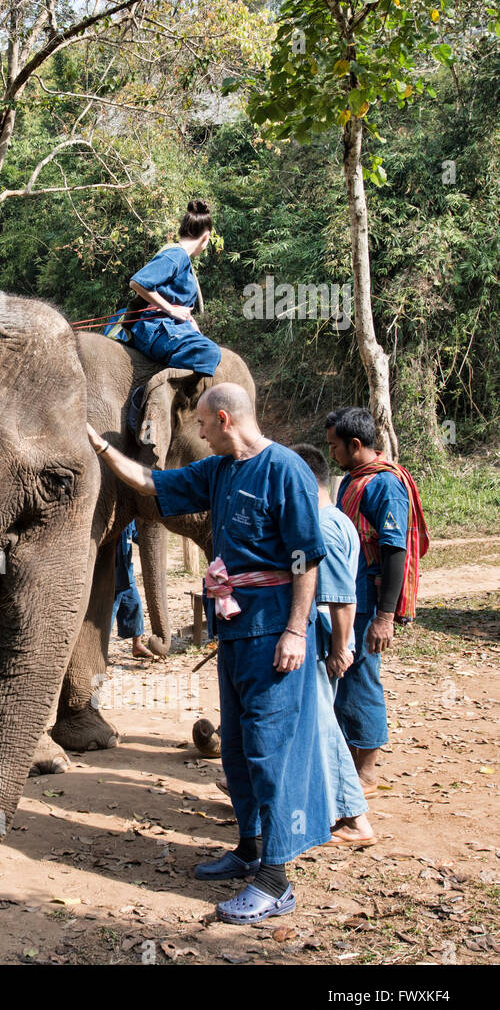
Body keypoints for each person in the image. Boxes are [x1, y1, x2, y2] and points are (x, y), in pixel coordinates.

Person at [89, 382, 329, 925]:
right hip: (236, 633)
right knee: (240, 747)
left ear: (224, 419)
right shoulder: (219, 471)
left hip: (273, 633)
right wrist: (103, 449)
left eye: (201, 423)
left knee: (271, 748)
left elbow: (304, 561)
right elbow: (151, 482)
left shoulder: (284, 469)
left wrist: (295, 630)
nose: (196, 432)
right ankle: (250, 848)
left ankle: (277, 879)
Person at [324, 407, 430, 794]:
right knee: (344, 674)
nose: (331, 453)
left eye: (335, 446)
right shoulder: (352, 480)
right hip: (348, 589)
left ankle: (366, 770)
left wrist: (385, 616)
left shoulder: (385, 485)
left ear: (355, 444)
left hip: (368, 592)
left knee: (361, 676)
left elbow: (394, 551)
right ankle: (346, 761)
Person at [290, 443, 377, 847]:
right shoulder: (335, 520)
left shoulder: (322, 527)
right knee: (315, 721)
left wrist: (342, 647)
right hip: (328, 633)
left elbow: (341, 597)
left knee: (324, 723)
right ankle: (322, 807)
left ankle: (355, 819)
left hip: (325, 635)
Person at [115, 199, 222, 379]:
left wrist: (186, 319)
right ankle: (157, 387)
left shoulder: (180, 258)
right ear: (205, 237)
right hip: (156, 329)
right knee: (210, 352)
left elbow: (173, 302)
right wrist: (171, 309)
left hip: (169, 329)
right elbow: (137, 282)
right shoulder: (176, 255)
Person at [112, 520, 158, 660]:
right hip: (109, 573)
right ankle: (96, 649)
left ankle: (137, 645)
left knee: (134, 605)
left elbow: (139, 536)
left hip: (125, 571)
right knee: (107, 613)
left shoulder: (129, 520)